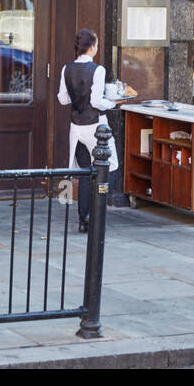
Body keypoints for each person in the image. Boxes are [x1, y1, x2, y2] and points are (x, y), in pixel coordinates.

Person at [57, 29, 116, 233]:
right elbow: (96, 101)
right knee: (109, 167)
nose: (97, 48)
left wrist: (77, 97)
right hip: (95, 125)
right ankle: (97, 213)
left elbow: (62, 99)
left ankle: (84, 219)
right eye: (96, 45)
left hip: (76, 127)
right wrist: (113, 103)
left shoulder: (66, 68)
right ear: (92, 47)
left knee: (84, 173)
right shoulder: (98, 70)